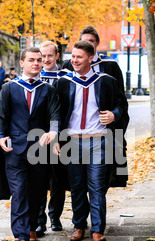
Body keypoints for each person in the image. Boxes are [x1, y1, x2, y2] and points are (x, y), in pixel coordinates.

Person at [0, 47, 61, 241]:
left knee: (36, 191)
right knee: (19, 192)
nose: (36, 63)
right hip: (15, 149)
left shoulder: (48, 89)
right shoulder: (10, 88)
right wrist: (0, 137)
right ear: (22, 63)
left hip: (40, 148)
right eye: (31, 60)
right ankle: (21, 236)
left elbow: (55, 115)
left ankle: (32, 226)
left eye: (39, 60)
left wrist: (53, 132)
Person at [54, 40, 128, 241]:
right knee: (77, 187)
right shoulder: (64, 83)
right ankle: (79, 225)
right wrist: (57, 137)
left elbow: (121, 104)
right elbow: (56, 112)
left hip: (98, 141)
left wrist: (114, 115)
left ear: (90, 58)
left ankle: (97, 231)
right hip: (73, 142)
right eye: (72, 57)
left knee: (96, 188)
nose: (74, 61)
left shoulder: (106, 81)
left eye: (79, 57)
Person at [63, 25, 129, 187]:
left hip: (101, 134)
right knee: (76, 185)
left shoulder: (110, 66)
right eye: (84, 41)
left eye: (91, 41)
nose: (88, 44)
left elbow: (120, 99)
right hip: (74, 136)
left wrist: (114, 114)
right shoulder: (69, 66)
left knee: (100, 182)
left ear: (97, 44)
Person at [36, 41, 70, 235]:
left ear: (57, 56)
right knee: (39, 179)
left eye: (49, 56)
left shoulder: (66, 78)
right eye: (43, 56)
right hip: (39, 136)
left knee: (58, 179)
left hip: (62, 135)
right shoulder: (34, 76)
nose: (46, 60)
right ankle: (40, 219)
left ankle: (55, 216)